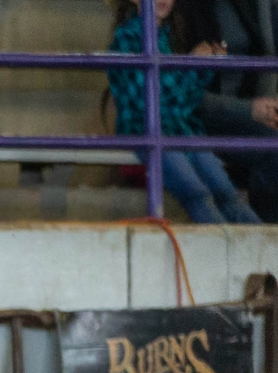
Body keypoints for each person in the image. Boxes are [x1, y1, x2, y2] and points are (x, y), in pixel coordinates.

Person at [108, 0, 262, 223]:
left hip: (179, 132)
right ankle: (240, 252)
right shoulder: (127, 39)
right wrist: (192, 65)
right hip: (149, 132)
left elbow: (182, 100)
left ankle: (262, 252)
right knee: (198, 195)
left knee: (227, 195)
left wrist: (203, 68)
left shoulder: (164, 39)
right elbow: (152, 102)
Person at [195, 0, 278, 220]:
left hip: (257, 111)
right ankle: (268, 239)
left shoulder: (264, 6)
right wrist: (249, 110)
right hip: (202, 115)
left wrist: (269, 107)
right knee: (271, 145)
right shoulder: (182, 9)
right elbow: (185, 94)